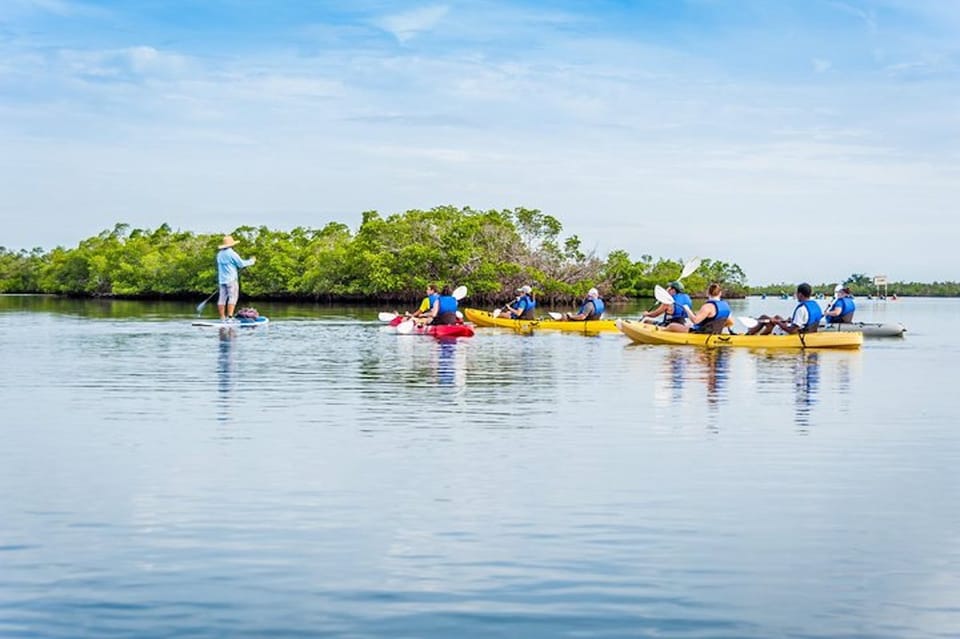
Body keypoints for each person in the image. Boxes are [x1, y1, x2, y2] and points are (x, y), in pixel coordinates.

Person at [747, 282, 823, 335]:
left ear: (800, 294)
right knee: (777, 317)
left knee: (764, 318)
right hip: (808, 331)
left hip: (797, 334)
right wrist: (790, 321)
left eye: (797, 293)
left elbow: (792, 330)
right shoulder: (815, 305)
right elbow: (805, 321)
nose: (796, 295)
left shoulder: (802, 309)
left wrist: (777, 322)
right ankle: (761, 335)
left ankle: (749, 336)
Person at [216, 235, 255, 321]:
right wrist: (251, 261)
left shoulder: (219, 254)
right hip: (231, 280)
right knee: (233, 297)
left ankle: (222, 317)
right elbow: (241, 264)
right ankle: (230, 317)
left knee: (222, 299)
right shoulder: (232, 253)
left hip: (222, 280)